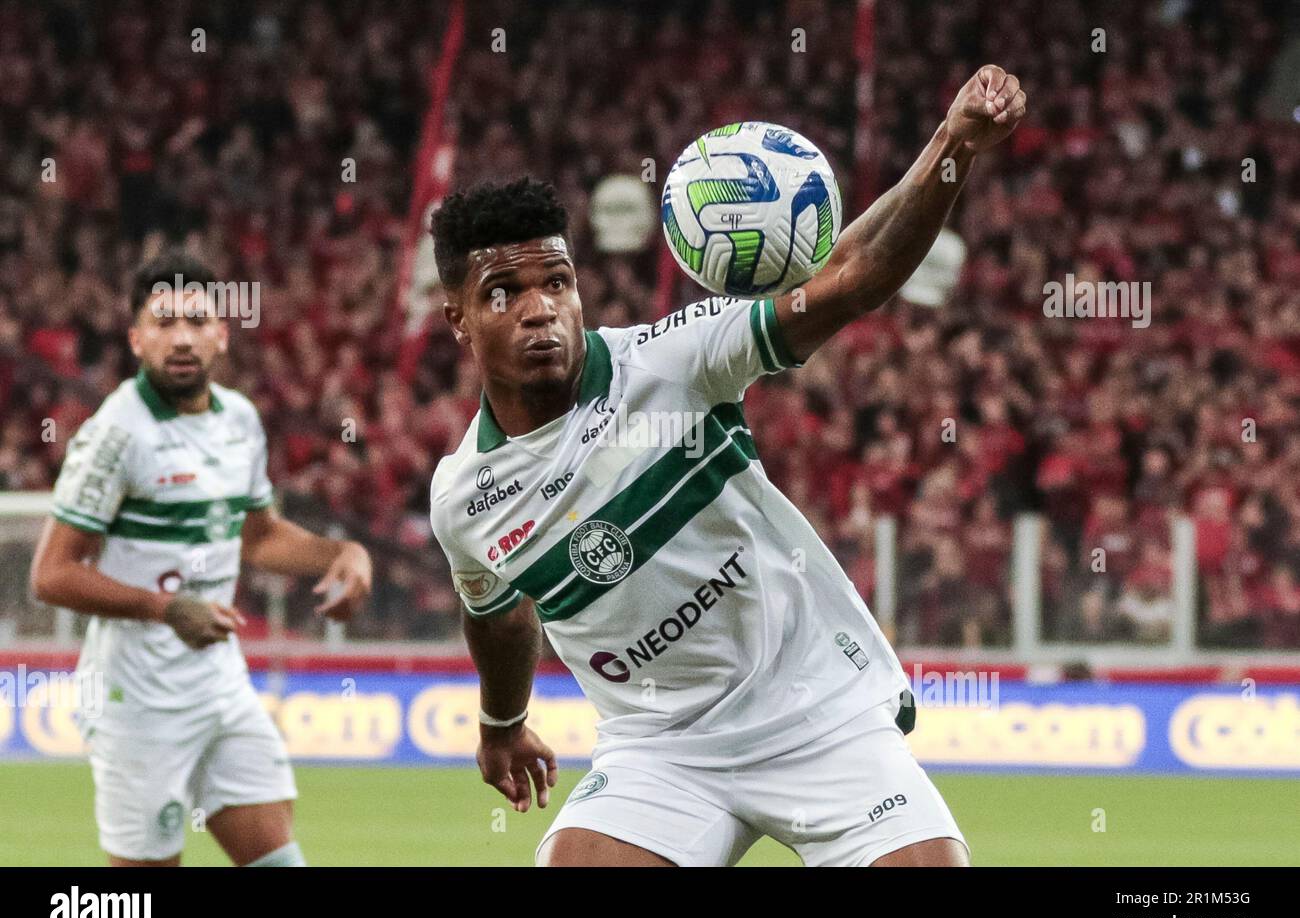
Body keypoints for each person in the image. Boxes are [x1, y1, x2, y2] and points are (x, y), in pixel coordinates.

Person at [428, 66, 1026, 866]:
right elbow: (498, 615)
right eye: (503, 291)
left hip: (816, 712)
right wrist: (502, 724)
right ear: (458, 319)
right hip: (661, 748)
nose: (539, 308)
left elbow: (848, 278)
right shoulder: (465, 498)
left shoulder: (673, 362)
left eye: (558, 282)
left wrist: (954, 143)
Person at [29, 252, 373, 867]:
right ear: (136, 339)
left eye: (196, 321)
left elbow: (259, 536)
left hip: (219, 684)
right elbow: (51, 574)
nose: (181, 337)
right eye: (163, 323)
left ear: (221, 333)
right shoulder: (116, 433)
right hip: (136, 699)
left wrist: (340, 553)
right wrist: (166, 609)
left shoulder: (238, 419)